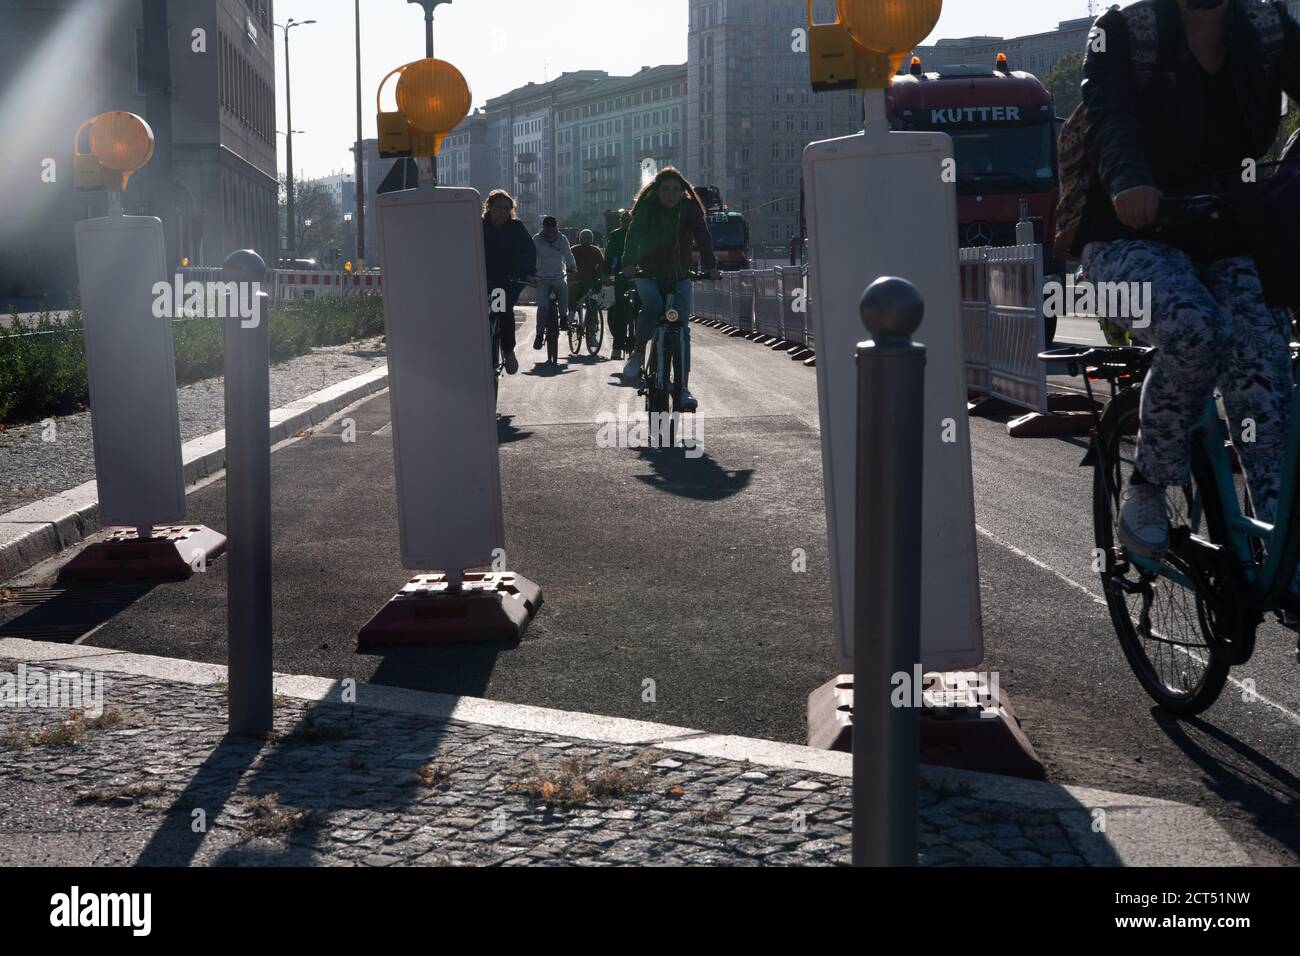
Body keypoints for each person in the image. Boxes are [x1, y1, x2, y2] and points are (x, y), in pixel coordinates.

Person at [1072, 0, 1300, 558]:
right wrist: (1129, 183)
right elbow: (1109, 119)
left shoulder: (1266, 27)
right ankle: (1149, 485)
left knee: (1266, 382)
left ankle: (1283, 553)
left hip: (1226, 230)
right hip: (1128, 236)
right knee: (1198, 330)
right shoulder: (1125, 31)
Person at [619, 168, 721, 412]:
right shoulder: (647, 207)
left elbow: (703, 237)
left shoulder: (689, 209)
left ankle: (683, 388)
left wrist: (710, 267)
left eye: (676, 189)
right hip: (647, 273)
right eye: (666, 189)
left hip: (679, 275)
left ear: (683, 191)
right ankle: (637, 353)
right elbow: (634, 234)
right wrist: (629, 263)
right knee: (652, 306)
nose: (671, 194)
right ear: (657, 190)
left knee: (682, 329)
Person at [481, 189, 537, 375]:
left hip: (508, 279)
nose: (503, 211)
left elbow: (528, 251)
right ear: (489, 207)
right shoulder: (478, 226)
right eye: (499, 207)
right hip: (482, 278)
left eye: (507, 208)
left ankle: (507, 350)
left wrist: (529, 273)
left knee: (502, 308)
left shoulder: (516, 228)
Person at [533, 215, 576, 352]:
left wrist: (572, 267)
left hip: (558, 276)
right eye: (548, 227)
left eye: (553, 227)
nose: (551, 229)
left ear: (556, 227)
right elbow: (531, 257)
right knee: (543, 306)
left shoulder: (562, 239)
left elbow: (568, 255)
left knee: (564, 287)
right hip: (542, 279)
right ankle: (539, 334)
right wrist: (530, 272)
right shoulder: (536, 240)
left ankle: (563, 317)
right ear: (543, 227)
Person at [603, 210, 634, 360]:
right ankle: (617, 347)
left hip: (639, 275)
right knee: (621, 310)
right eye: (626, 221)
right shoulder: (616, 235)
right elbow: (609, 257)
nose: (627, 225)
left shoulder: (640, 233)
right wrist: (605, 274)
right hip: (621, 276)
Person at [569, 229, 605, 350]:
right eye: (584, 239)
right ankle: (572, 313)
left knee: (593, 305)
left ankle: (592, 332)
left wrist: (601, 277)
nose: (586, 242)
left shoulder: (595, 251)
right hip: (578, 283)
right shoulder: (574, 250)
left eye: (588, 240)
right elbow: (568, 266)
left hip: (591, 285)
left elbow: (602, 266)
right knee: (573, 294)